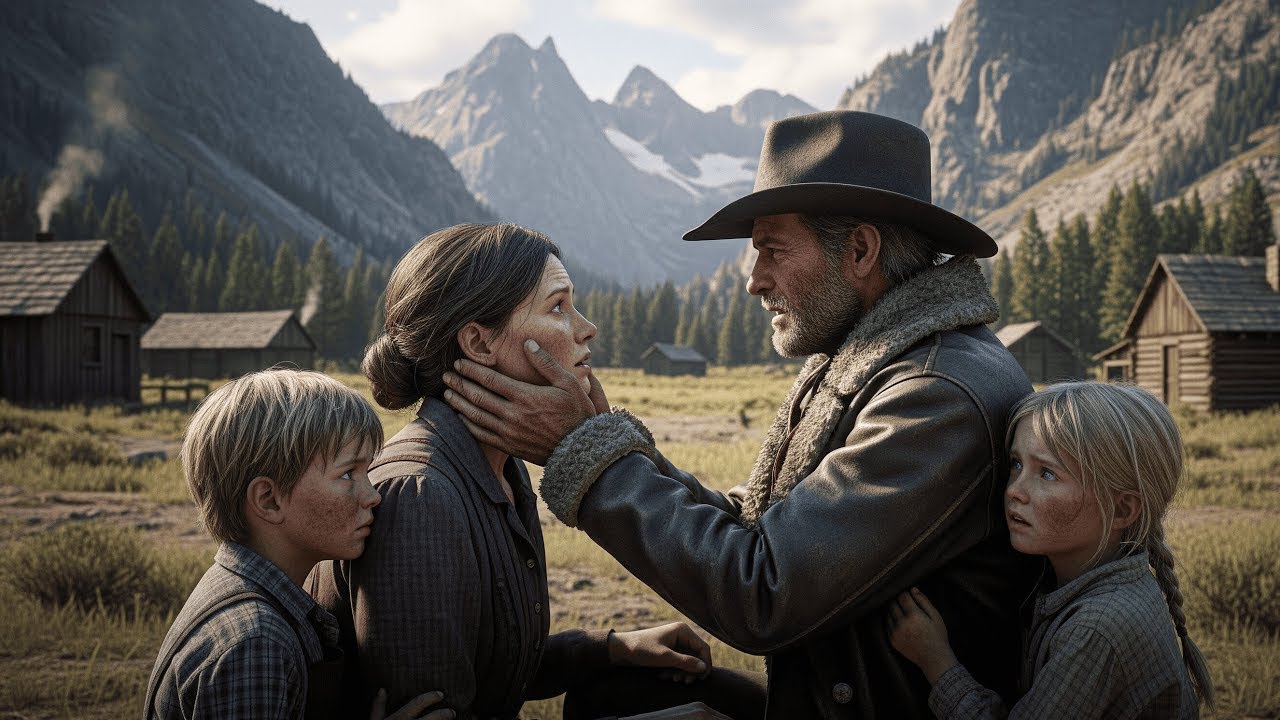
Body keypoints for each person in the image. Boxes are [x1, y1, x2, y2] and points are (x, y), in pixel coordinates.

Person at [441, 110, 1038, 718]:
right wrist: (609, 448)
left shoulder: (934, 395)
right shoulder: (873, 362)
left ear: (860, 249)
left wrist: (588, 457)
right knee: (617, 690)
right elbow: (760, 529)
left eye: (772, 251)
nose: (755, 281)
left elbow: (765, 590)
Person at [308, 223, 751, 720]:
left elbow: (493, 659)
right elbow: (435, 703)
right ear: (478, 343)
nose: (587, 328)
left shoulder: (503, 469)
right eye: (558, 306)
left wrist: (610, 648)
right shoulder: (420, 497)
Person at [888, 381, 1213, 719]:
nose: (1015, 490)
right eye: (1016, 464)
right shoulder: (1072, 581)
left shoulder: (1098, 628)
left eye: (1047, 473)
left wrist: (936, 661)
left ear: (1121, 510)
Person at [145, 369, 451, 720]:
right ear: (269, 500)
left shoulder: (244, 595)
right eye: (348, 474)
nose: (372, 496)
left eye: (369, 471)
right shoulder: (256, 645)